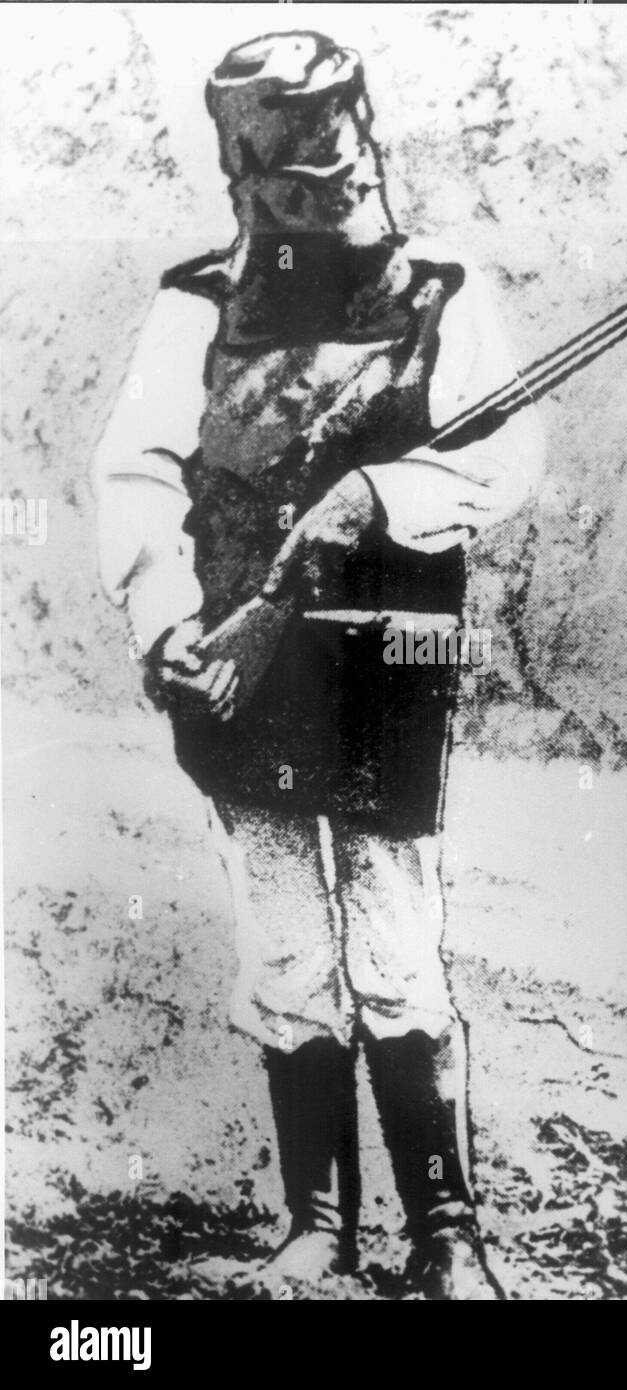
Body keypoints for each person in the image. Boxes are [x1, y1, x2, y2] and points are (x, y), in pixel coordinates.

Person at [94, 30, 544, 1300]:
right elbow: (133, 472)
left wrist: (371, 497)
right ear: (249, 183)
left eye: (350, 181)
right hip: (242, 668)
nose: (338, 204)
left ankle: (445, 1231)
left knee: (399, 936)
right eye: (302, 192)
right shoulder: (192, 308)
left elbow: (504, 463)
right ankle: (318, 1229)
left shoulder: (445, 294)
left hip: (387, 664)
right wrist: (165, 617)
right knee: (285, 938)